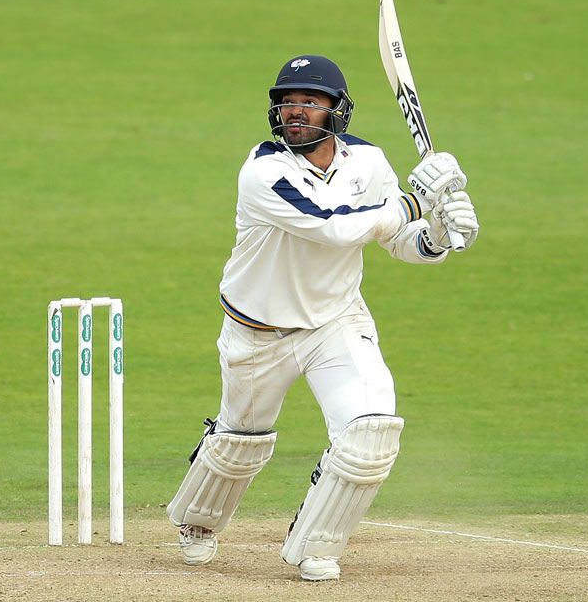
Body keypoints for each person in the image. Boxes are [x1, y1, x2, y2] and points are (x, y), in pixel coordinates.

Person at [166, 55, 479, 581]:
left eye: (309, 102)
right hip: (257, 332)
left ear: (337, 110)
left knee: (371, 432)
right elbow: (331, 227)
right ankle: (197, 523)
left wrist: (437, 235)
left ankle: (317, 545)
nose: (295, 112)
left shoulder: (369, 162)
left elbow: (395, 240)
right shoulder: (263, 172)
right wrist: (414, 201)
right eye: (286, 103)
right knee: (242, 438)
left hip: (335, 320)